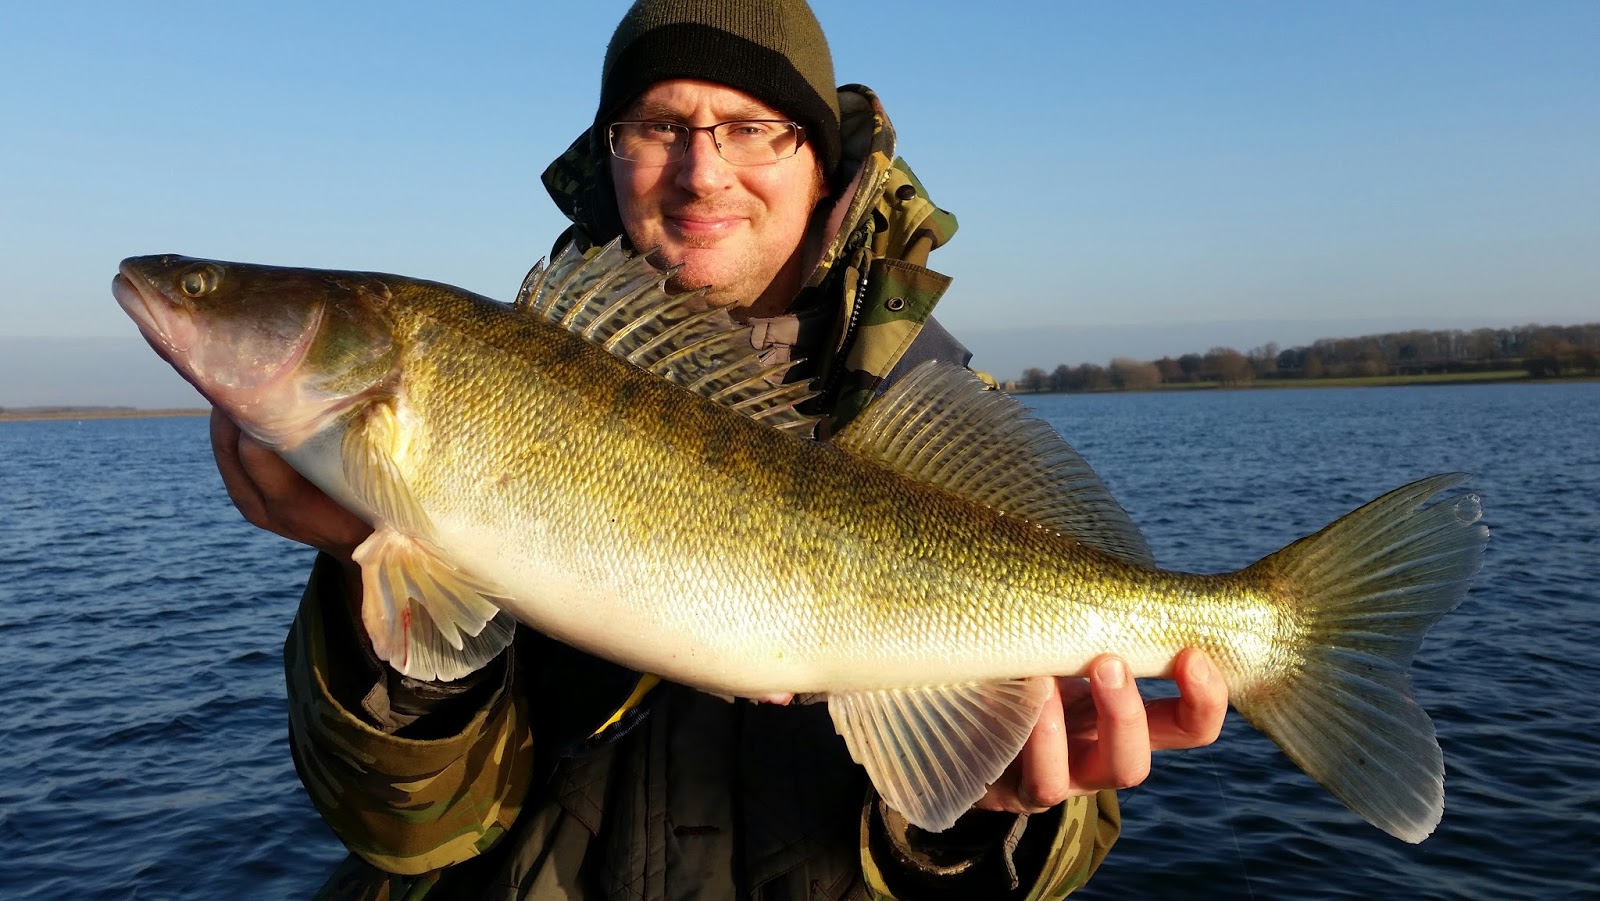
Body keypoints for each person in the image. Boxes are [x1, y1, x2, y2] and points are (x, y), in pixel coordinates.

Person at [210, 2, 1229, 898]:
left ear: (822, 158)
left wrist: (978, 818)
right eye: (660, 125)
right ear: (610, 154)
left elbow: (1043, 863)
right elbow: (404, 835)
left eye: (752, 127)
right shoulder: (449, 420)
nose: (704, 171)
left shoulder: (929, 422)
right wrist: (375, 593)